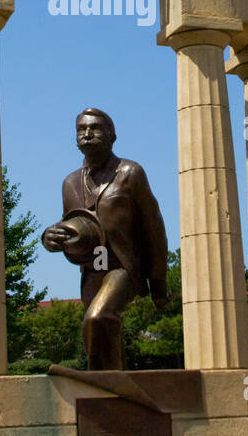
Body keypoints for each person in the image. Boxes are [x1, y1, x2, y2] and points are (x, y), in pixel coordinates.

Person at [42, 108, 168, 369]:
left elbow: (153, 226)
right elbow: (71, 223)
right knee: (97, 332)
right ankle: (110, 389)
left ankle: (104, 389)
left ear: (112, 135)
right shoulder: (70, 183)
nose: (87, 134)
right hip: (91, 269)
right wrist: (49, 237)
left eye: (95, 128)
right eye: (81, 129)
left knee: (98, 318)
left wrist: (158, 280)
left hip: (122, 267)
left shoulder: (130, 173)